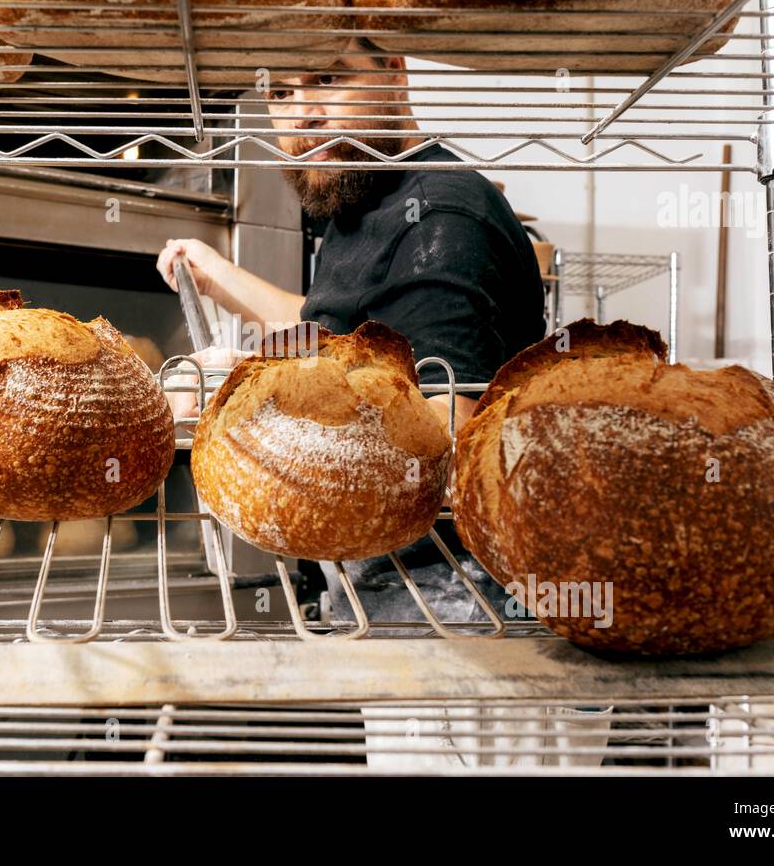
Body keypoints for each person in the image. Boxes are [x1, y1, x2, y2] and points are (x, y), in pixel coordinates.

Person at [156, 37, 547, 627]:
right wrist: (218, 277)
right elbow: (348, 338)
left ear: (395, 72)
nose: (302, 112)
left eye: (326, 79)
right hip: (391, 599)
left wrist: (240, 399)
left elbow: (445, 440)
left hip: (460, 617)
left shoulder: (440, 217)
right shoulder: (366, 195)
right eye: (280, 92)